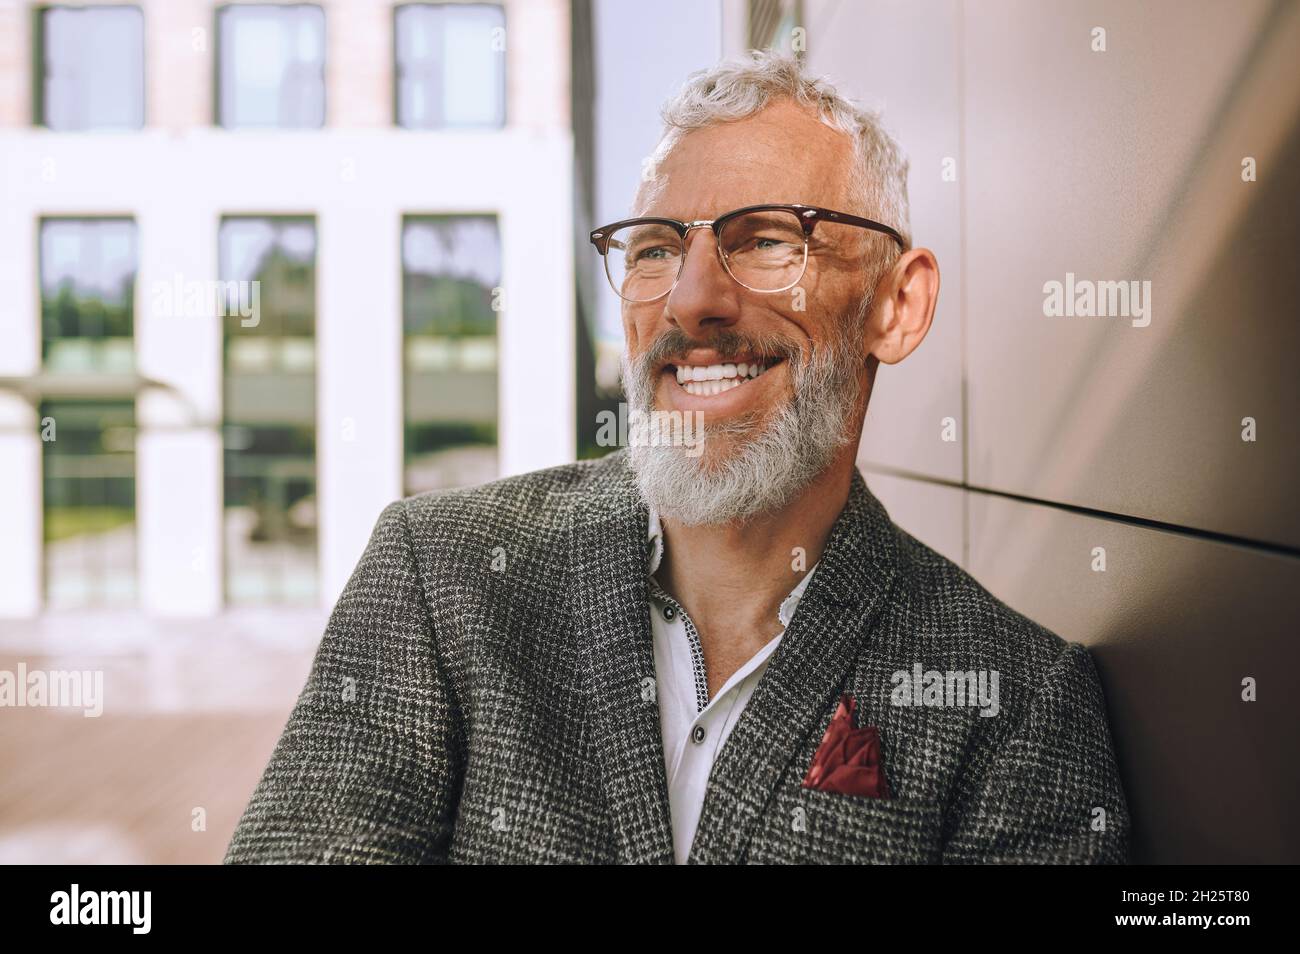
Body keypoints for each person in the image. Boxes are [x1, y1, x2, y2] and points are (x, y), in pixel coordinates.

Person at [226, 50, 1128, 865]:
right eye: (657, 247)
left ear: (897, 304)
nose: (693, 300)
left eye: (769, 238)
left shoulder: (1017, 702)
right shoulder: (441, 575)